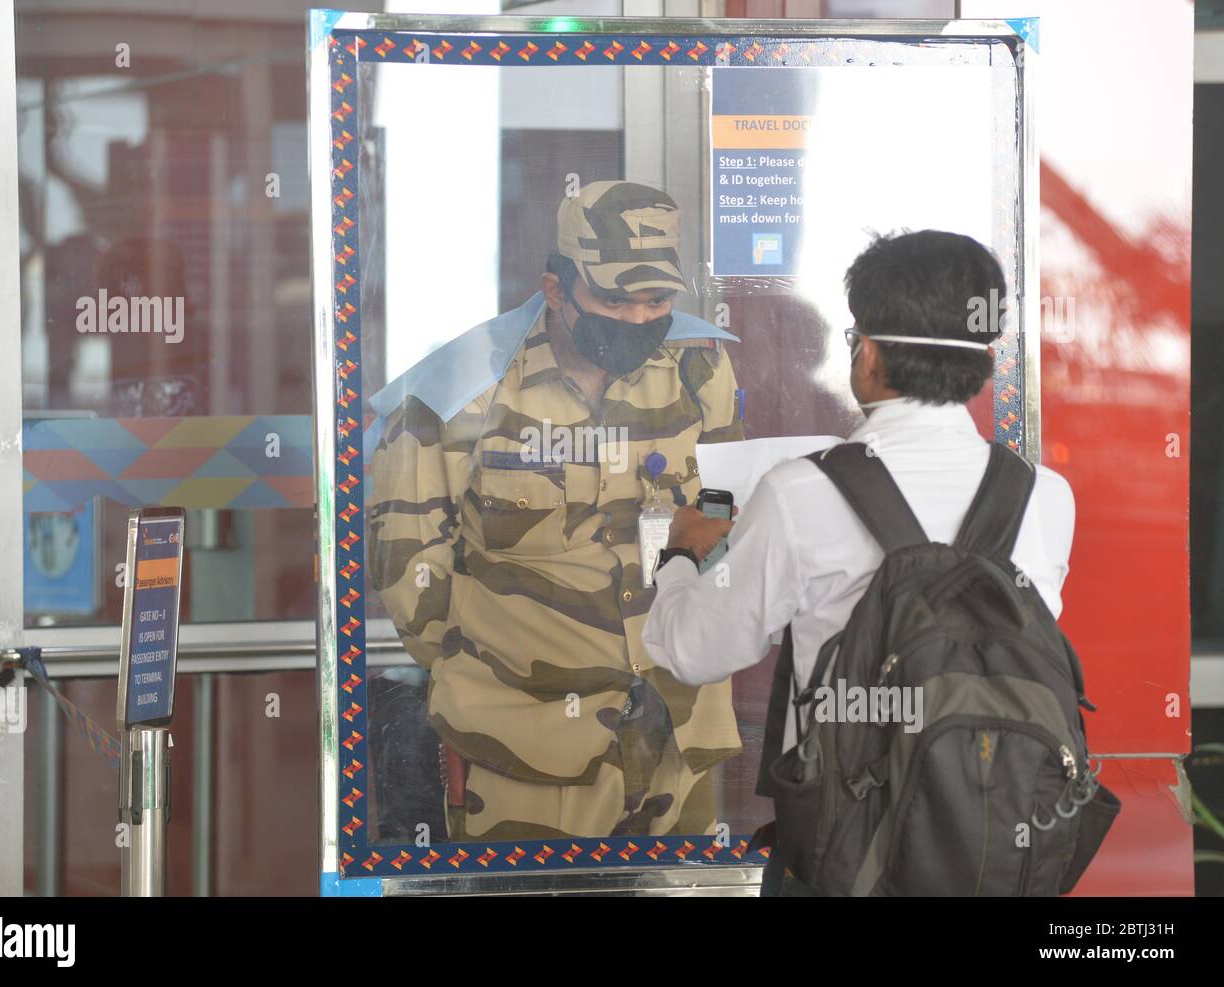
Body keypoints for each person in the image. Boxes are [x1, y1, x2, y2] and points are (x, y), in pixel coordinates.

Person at [641, 229, 1076, 894]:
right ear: (986, 356)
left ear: (868, 353)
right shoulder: (1044, 496)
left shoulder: (801, 492)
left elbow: (694, 650)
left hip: (846, 861)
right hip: (999, 852)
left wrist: (680, 554)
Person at [366, 180, 746, 840]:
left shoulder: (697, 371)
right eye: (613, 298)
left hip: (679, 738)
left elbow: (727, 504)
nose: (636, 318)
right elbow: (408, 566)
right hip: (524, 754)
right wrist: (493, 672)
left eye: (655, 299)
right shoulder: (465, 391)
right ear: (554, 288)